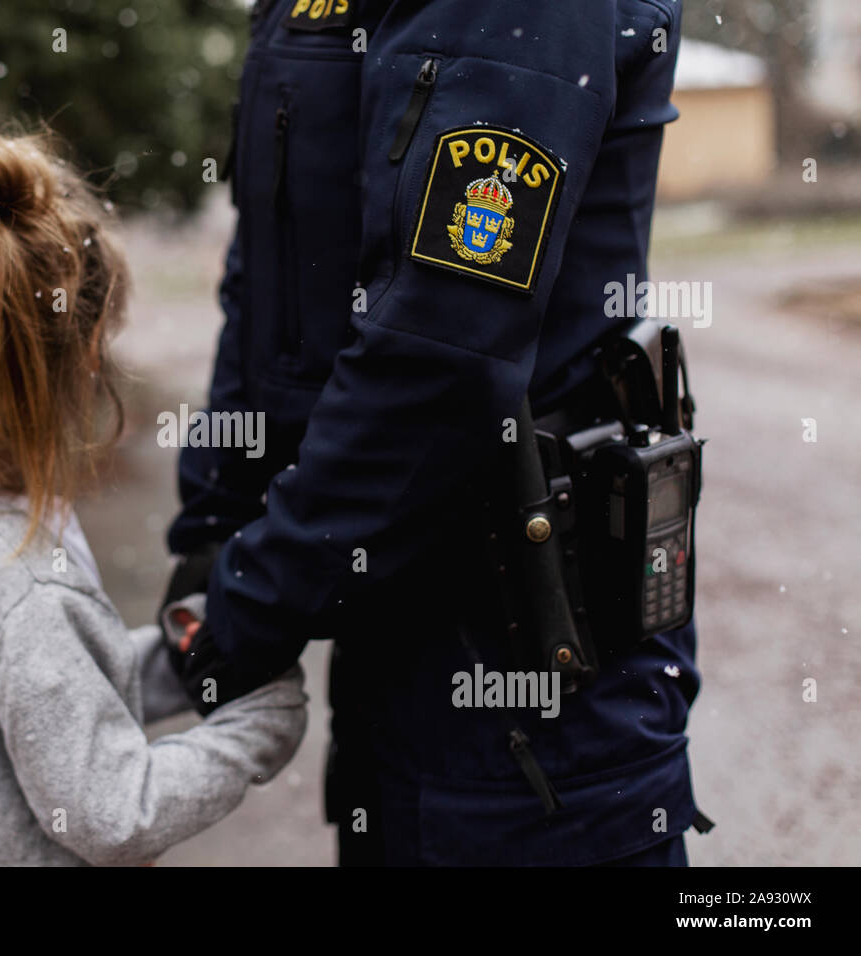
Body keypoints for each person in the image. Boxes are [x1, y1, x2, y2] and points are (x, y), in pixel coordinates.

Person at [164, 0, 705, 865]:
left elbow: (442, 354)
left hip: (530, 694)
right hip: (393, 652)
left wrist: (249, 604)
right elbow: (274, 275)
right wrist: (215, 528)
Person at [0, 131, 307, 866]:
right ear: (80, 357)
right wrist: (256, 731)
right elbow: (111, 811)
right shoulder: (24, 583)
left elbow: (38, 700)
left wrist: (184, 661)